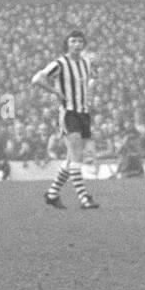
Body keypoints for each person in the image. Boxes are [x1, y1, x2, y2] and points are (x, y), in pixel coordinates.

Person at [31, 30, 99, 208]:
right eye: (73, 41)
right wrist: (55, 92)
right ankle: (84, 198)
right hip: (68, 113)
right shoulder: (60, 63)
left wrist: (90, 95)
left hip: (83, 112)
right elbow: (36, 79)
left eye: (80, 41)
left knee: (71, 158)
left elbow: (91, 80)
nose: (77, 44)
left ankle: (52, 194)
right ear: (67, 44)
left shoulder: (86, 62)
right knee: (76, 154)